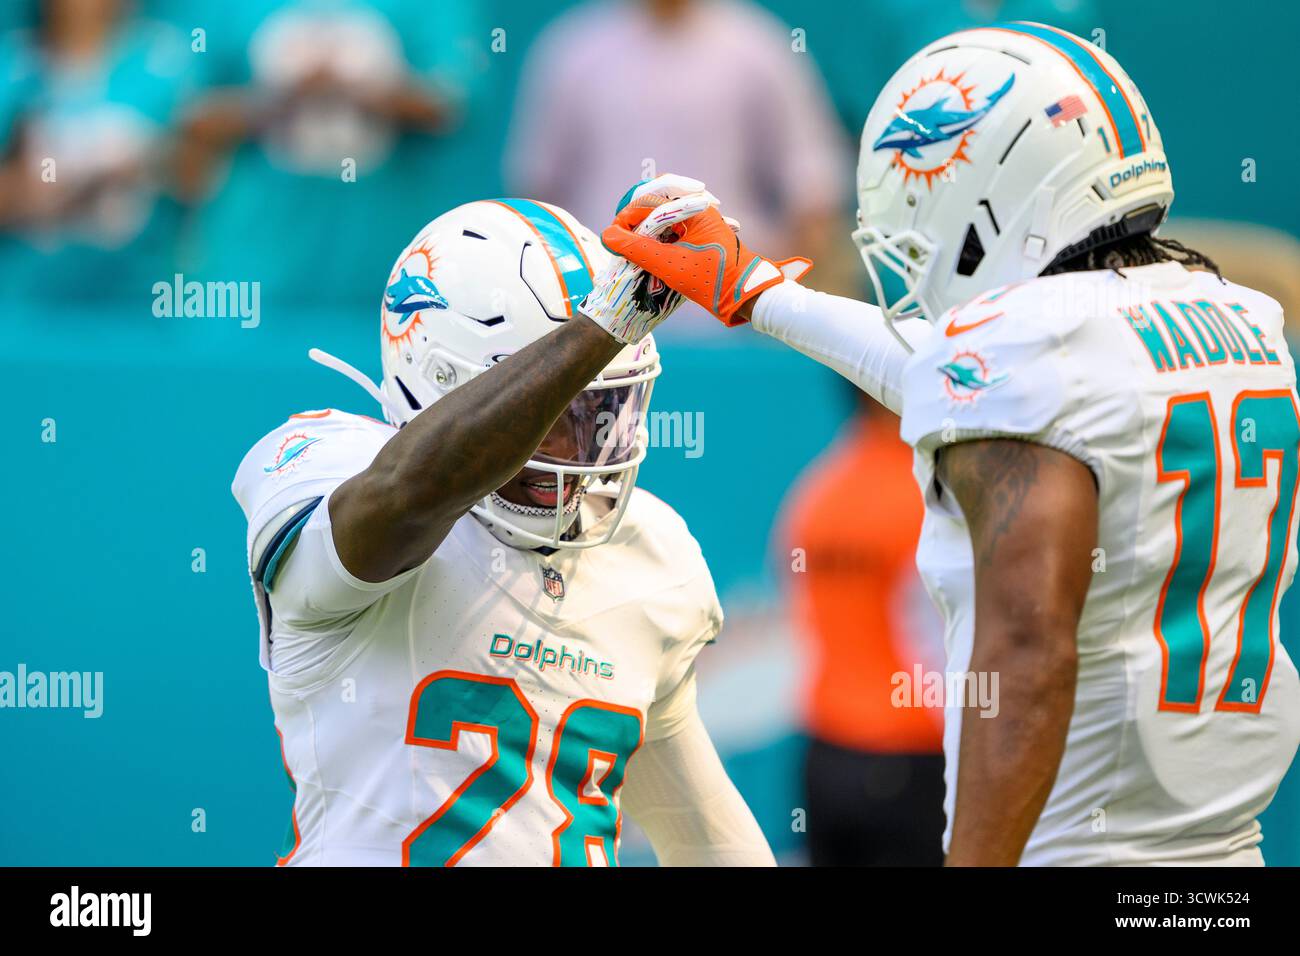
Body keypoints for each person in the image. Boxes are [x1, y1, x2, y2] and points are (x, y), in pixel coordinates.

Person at [601, 23, 1300, 865]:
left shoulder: (1030, 355)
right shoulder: (1235, 321)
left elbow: (1028, 648)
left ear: (1000, 191)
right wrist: (755, 291)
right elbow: (966, 375)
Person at [231, 177, 773, 866]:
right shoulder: (329, 468)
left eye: (599, 415)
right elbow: (403, 498)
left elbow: (706, 840)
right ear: (440, 384)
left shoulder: (652, 555)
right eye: (552, 412)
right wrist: (600, 328)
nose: (583, 450)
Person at [779, 390, 945, 866]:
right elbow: (942, 641)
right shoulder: (930, 498)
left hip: (825, 754)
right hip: (914, 757)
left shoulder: (817, 490)